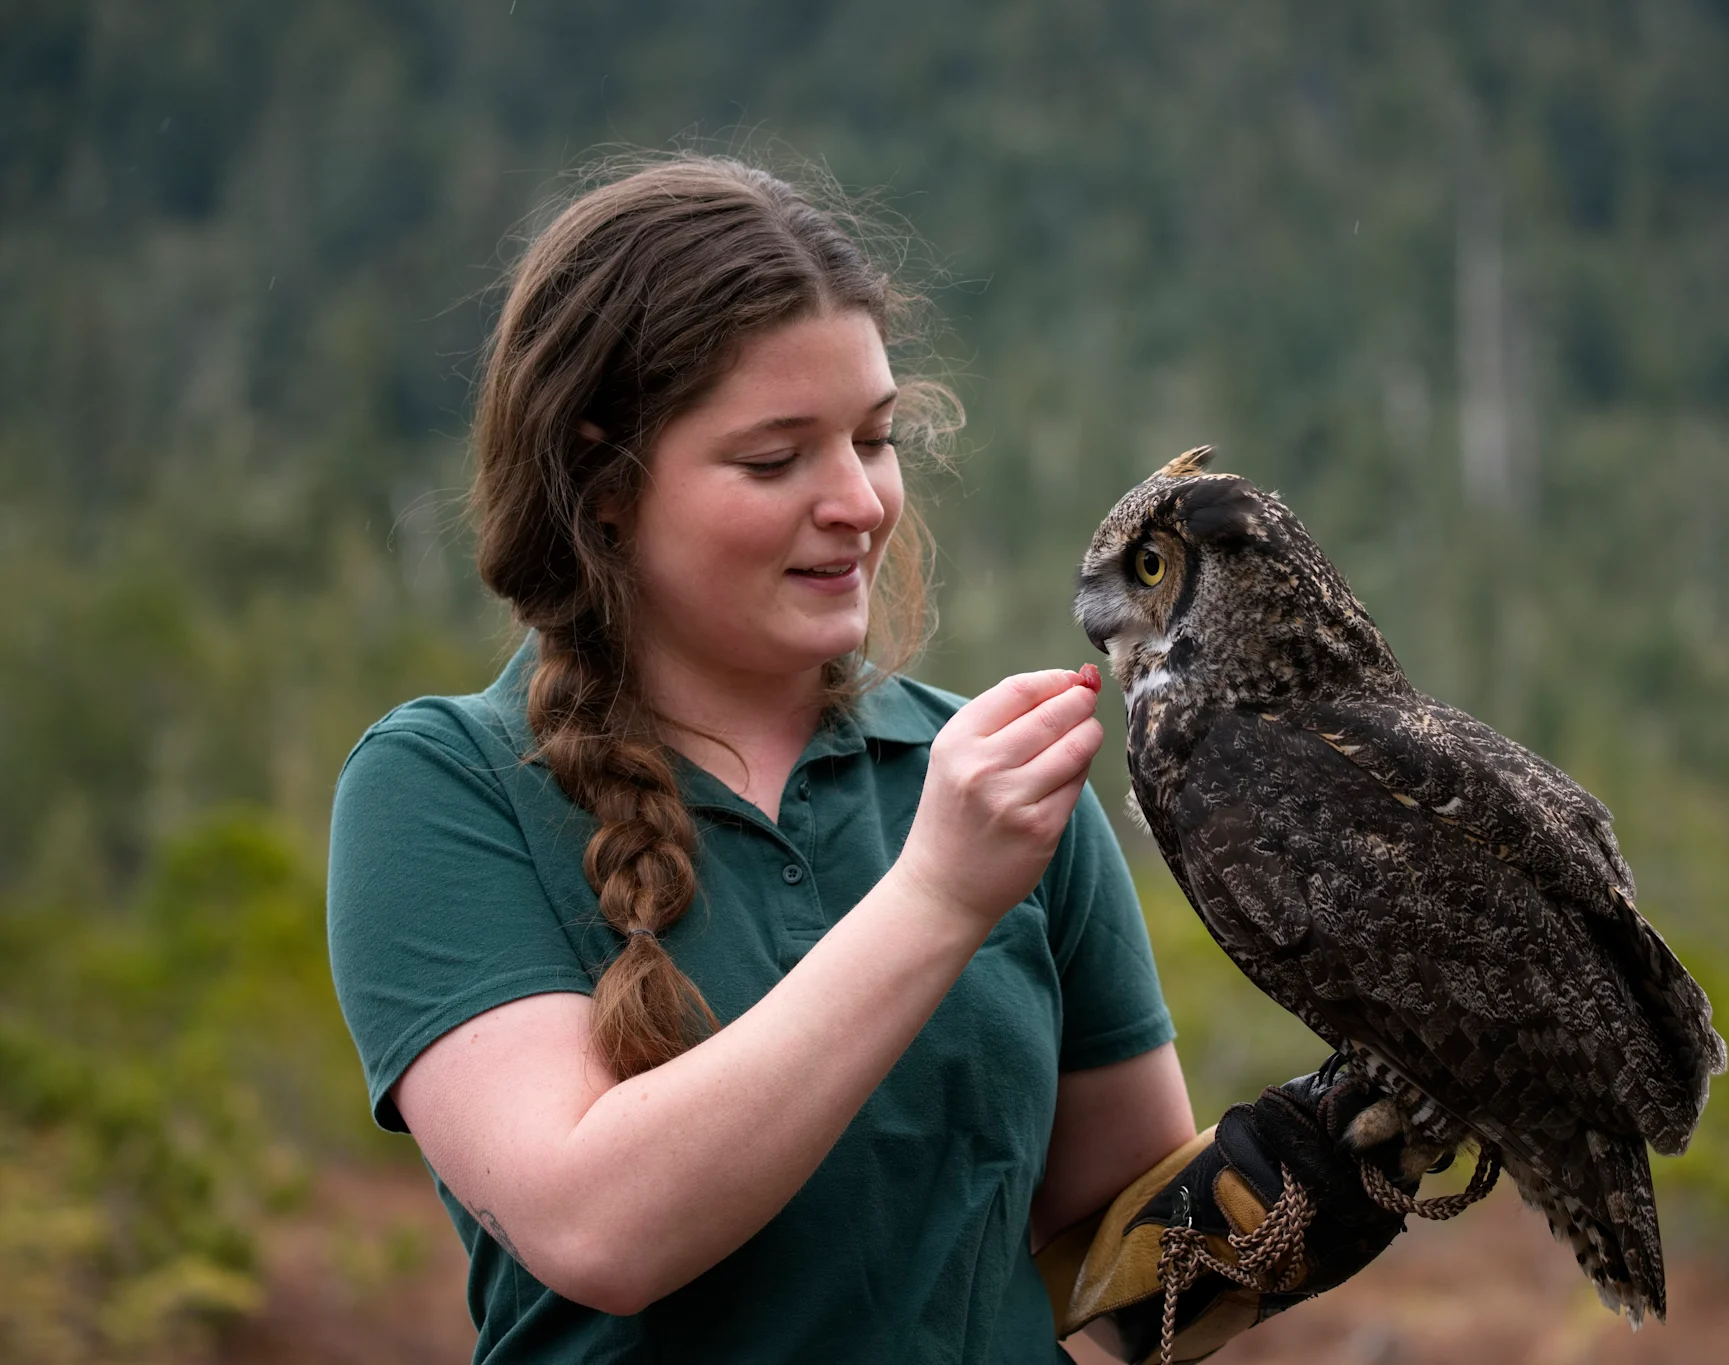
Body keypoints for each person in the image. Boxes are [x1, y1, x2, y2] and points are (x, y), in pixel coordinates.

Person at [326, 155, 1413, 1365]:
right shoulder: (444, 788)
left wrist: (1329, 1157)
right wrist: (938, 896)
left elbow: (1120, 1259)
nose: (856, 500)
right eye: (773, 458)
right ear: (600, 482)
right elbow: (596, 1229)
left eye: (874, 438)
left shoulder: (988, 779)